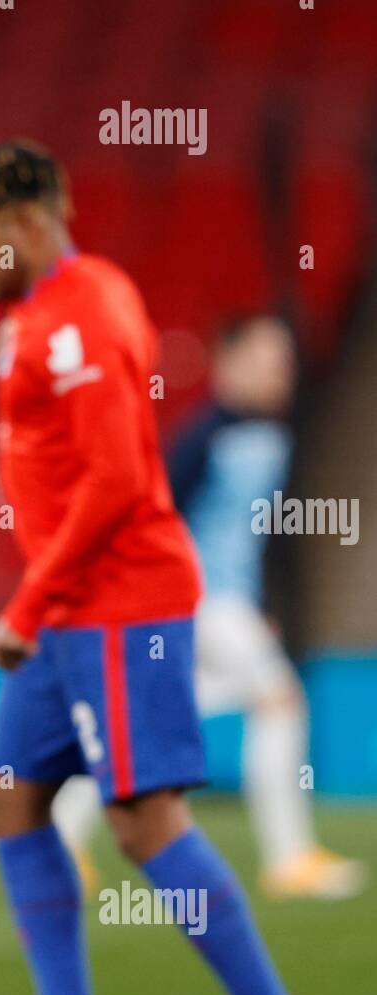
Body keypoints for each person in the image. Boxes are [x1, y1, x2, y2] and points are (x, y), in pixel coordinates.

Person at [0, 140, 328, 995]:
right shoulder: (58, 313)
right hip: (72, 604)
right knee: (12, 800)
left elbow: (117, 481)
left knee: (143, 820)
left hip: (122, 605)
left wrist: (24, 606)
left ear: (24, 225)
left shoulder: (80, 318)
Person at [52, 315, 366, 901]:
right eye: (267, 359)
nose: (281, 373)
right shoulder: (204, 439)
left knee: (148, 719)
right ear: (229, 363)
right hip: (198, 601)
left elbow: (255, 537)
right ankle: (289, 857)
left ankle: (63, 834)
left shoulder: (272, 438)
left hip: (225, 603)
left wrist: (260, 604)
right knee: (280, 701)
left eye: (286, 362)